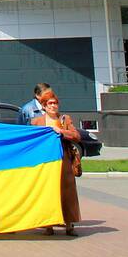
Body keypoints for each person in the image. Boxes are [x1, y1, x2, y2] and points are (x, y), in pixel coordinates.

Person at [32, 90, 82, 236]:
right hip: (46, 161)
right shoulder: (37, 122)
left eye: (55, 103)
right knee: (48, 190)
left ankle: (69, 224)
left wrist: (61, 131)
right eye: (50, 103)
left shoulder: (64, 119)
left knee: (66, 191)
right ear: (44, 106)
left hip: (64, 160)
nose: (53, 106)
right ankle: (48, 225)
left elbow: (76, 136)